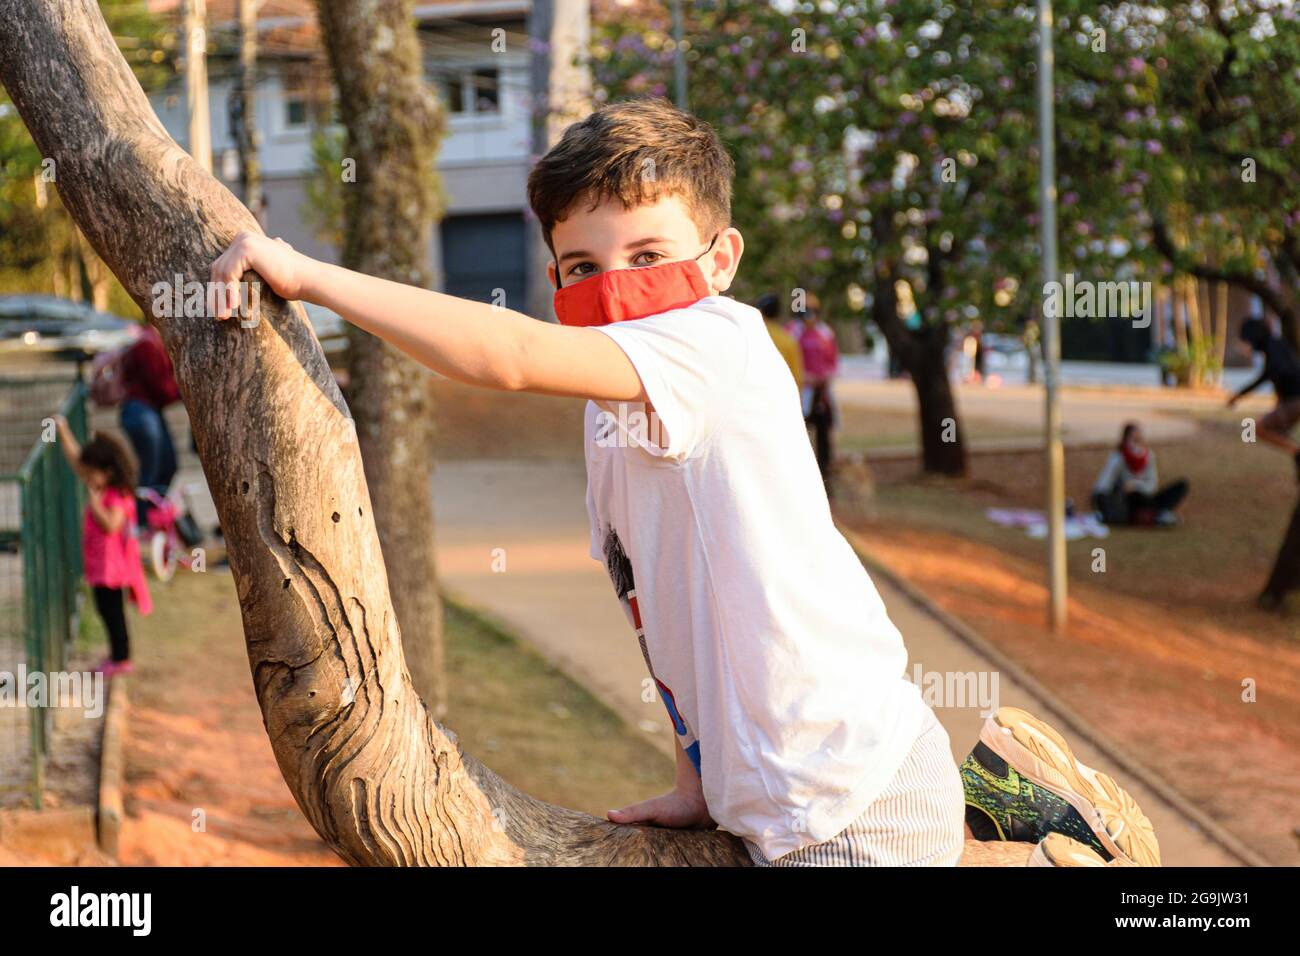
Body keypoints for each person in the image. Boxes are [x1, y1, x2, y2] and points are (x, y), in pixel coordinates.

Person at [209, 96, 1155, 867]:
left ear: (722, 259)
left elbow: (502, 355)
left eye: (648, 257)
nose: (614, 285)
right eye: (583, 266)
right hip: (788, 795)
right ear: (553, 274)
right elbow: (653, 609)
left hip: (841, 796)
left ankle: (1040, 845)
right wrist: (695, 783)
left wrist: (307, 275)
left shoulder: (715, 344)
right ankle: (1016, 819)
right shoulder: (610, 416)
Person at [54, 416, 151, 675]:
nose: (86, 477)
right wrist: (63, 430)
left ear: (107, 472)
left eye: (90, 473)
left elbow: (111, 525)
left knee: (113, 613)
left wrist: (94, 502)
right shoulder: (102, 485)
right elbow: (77, 461)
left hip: (113, 571)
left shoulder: (116, 496)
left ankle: (122, 659)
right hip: (100, 569)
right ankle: (117, 655)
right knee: (105, 610)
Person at [119, 324, 181, 519]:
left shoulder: (155, 343)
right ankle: (142, 519)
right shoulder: (146, 345)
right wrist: (182, 391)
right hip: (141, 410)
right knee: (151, 468)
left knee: (165, 464)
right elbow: (159, 385)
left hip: (149, 410)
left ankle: (153, 513)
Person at [1227, 317, 1300, 479]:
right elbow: (1267, 375)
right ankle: (1295, 452)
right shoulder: (1276, 346)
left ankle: (1297, 452)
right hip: (1291, 400)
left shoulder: (1273, 348)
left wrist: (1279, 395)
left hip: (1294, 401)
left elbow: (1277, 372)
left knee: (1258, 428)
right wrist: (1238, 395)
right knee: (1275, 431)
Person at [1091, 423, 1189, 527]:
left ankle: (1153, 514)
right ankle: (1154, 516)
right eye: (1134, 439)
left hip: (1145, 498)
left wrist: (1135, 485)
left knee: (1182, 485)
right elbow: (1104, 482)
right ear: (1125, 440)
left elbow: (1152, 486)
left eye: (1139, 439)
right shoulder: (1118, 457)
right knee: (1124, 498)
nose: (1136, 443)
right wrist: (1100, 497)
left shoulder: (1149, 456)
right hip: (1126, 500)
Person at [789, 293, 839, 487]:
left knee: (824, 434)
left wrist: (826, 377)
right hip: (801, 393)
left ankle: (826, 474)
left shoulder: (826, 333)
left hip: (822, 392)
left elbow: (833, 361)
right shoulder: (793, 332)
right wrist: (804, 377)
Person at [754, 293, 803, 389]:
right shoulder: (788, 340)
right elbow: (797, 377)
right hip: (780, 393)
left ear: (759, 311)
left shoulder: (750, 334)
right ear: (778, 314)